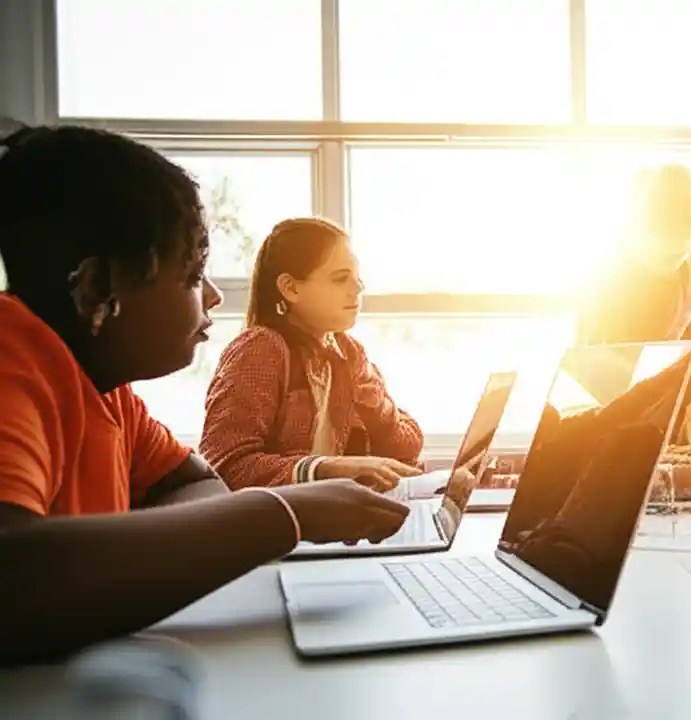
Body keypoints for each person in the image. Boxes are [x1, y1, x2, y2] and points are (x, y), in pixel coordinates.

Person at [0, 126, 408, 664]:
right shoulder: (13, 358)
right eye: (193, 274)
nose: (214, 295)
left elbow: (200, 484)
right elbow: (15, 578)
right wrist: (285, 513)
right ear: (98, 288)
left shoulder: (111, 394)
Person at [201, 218, 424, 491]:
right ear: (291, 288)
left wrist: (376, 402)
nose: (357, 288)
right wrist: (325, 468)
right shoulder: (260, 349)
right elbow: (226, 466)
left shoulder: (348, 352)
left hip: (330, 528)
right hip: (277, 530)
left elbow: (407, 448)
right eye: (341, 278)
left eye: (357, 277)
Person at [576, 164, 691, 458]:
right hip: (614, 410)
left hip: (669, 401)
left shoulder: (690, 266)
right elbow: (602, 383)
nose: (672, 264)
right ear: (638, 232)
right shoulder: (610, 281)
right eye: (661, 255)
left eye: (680, 252)